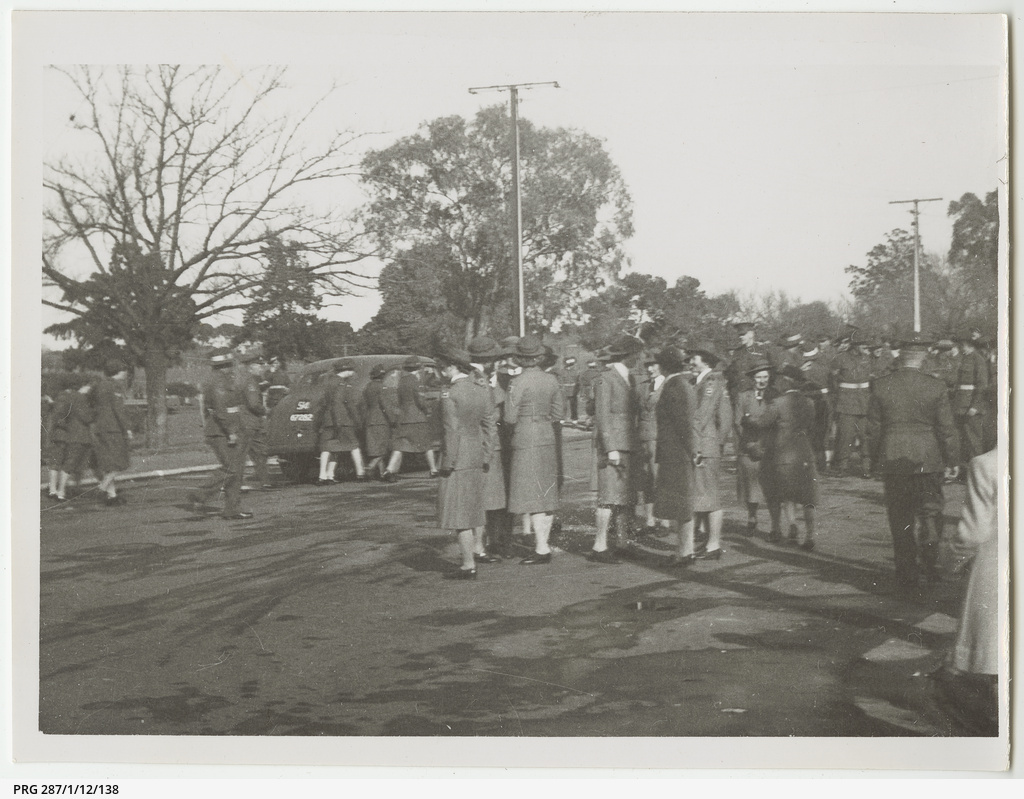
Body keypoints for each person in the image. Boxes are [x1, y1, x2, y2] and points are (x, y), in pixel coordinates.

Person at [866, 334, 959, 588]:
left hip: (894, 459)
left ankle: (906, 573)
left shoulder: (881, 384)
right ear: (922, 358)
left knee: (900, 517)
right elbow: (946, 427)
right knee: (930, 512)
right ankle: (931, 566)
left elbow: (873, 429)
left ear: (900, 357)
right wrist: (952, 459)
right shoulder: (935, 386)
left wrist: (874, 460)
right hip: (928, 459)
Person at [939, 447, 1000, 733]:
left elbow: (973, 532)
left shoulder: (986, 464)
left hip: (999, 570)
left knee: (1001, 658)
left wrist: (951, 562)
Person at [435, 346, 496, 580]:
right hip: (477, 453)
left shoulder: (450, 393)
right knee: (475, 509)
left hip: (457, 456)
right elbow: (489, 425)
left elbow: (450, 431)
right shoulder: (481, 390)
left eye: (442, 369)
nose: (441, 373)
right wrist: (487, 453)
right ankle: (477, 550)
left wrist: (447, 462)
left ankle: (468, 564)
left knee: (460, 515)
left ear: (450, 367)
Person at [505, 335, 565, 565]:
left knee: (530, 493)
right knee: (546, 493)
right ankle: (544, 544)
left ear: (520, 359)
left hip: (525, 437)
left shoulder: (517, 382)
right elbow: (559, 414)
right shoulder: (551, 380)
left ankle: (541, 548)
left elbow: (510, 417)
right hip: (547, 436)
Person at [747, 364, 820, 549]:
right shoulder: (809, 403)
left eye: (780, 379)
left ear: (787, 381)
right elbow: (811, 427)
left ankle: (792, 527)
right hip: (805, 453)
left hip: (784, 455)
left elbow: (763, 423)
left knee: (787, 494)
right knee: (808, 497)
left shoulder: (778, 403)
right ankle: (810, 535)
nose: (777, 382)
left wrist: (748, 419)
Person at [588, 335, 643, 563]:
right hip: (613, 447)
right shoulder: (605, 378)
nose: (640, 359)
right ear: (629, 355)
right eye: (637, 354)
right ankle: (599, 546)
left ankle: (622, 542)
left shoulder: (631, 378)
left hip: (629, 443)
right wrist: (610, 448)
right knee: (609, 497)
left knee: (625, 498)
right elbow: (602, 416)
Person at [188, 348, 252, 520]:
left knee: (236, 470)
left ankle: (232, 509)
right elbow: (221, 409)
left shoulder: (220, 379)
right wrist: (231, 431)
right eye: (230, 364)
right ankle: (200, 493)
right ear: (225, 365)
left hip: (230, 428)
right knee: (231, 468)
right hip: (222, 431)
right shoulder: (218, 382)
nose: (232, 367)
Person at [652, 345, 698, 567]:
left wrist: (692, 452)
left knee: (681, 504)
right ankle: (685, 550)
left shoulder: (675, 386)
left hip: (677, 453)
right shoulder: (680, 384)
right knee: (681, 503)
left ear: (664, 365)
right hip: (677, 452)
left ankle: (684, 552)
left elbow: (684, 425)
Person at [467, 336, 512, 559]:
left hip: (499, 445)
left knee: (494, 498)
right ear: (490, 360)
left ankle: (494, 541)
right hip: (487, 447)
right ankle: (479, 547)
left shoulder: (498, 379)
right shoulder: (475, 380)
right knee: (484, 497)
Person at [689, 341, 732, 560]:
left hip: (703, 446)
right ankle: (709, 543)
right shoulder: (702, 381)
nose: (690, 361)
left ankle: (713, 545)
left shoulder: (711, 381)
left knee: (710, 497)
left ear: (704, 359)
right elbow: (725, 419)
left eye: (694, 357)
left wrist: (697, 446)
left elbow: (702, 416)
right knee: (703, 496)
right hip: (707, 445)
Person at [733, 361, 771, 535]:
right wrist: (748, 443)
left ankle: (775, 523)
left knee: (770, 485)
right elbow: (737, 421)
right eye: (758, 377)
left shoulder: (774, 396)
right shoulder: (743, 396)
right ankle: (752, 516)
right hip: (748, 446)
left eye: (765, 377)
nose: (762, 381)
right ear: (752, 379)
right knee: (750, 484)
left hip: (768, 446)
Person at [386, 356, 439, 479]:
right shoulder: (416, 382)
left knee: (400, 445)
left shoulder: (401, 381)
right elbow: (420, 401)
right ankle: (433, 469)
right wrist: (427, 410)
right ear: (418, 369)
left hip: (404, 418)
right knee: (426, 444)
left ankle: (389, 469)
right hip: (417, 418)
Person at [316, 359, 366, 484]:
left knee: (328, 448)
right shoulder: (342, 384)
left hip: (328, 420)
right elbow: (341, 404)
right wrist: (355, 420)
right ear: (347, 371)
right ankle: (361, 473)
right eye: (351, 370)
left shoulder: (328, 383)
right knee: (354, 445)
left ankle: (325, 476)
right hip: (342, 421)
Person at [91, 359, 133, 505]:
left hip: (99, 428)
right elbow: (118, 409)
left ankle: (112, 495)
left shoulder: (99, 385)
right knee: (119, 462)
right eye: (123, 370)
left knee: (109, 463)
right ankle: (102, 489)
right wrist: (126, 428)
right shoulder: (115, 386)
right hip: (113, 428)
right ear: (117, 371)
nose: (125, 372)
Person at [831, 335, 873, 476]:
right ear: (855, 345)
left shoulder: (867, 358)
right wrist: (840, 396)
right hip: (846, 402)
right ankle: (842, 467)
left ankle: (866, 468)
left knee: (865, 434)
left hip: (865, 401)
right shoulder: (840, 358)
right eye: (862, 345)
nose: (865, 348)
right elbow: (833, 380)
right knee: (845, 434)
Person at [635, 353, 666, 532]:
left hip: (660, 438)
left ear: (661, 366)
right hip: (643, 438)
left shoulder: (668, 386)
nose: (650, 369)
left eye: (654, 365)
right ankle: (649, 520)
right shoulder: (643, 387)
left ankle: (664, 521)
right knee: (646, 479)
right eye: (647, 365)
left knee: (660, 479)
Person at [952, 333, 990, 471]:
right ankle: (964, 470)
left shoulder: (978, 359)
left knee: (973, 440)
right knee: (961, 438)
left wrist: (975, 406)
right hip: (960, 405)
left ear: (969, 345)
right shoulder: (963, 358)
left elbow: (982, 385)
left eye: (962, 345)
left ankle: (978, 471)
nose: (961, 347)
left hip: (971, 407)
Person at [237, 351, 273, 491]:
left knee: (258, 452)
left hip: (248, 422)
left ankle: (264, 481)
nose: (261, 368)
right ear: (251, 366)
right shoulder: (250, 381)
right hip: (249, 422)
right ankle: (239, 484)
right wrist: (265, 411)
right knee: (252, 452)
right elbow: (253, 404)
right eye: (258, 365)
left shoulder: (244, 379)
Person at [362, 363, 392, 481]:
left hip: (369, 419)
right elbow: (385, 405)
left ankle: (382, 473)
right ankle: (370, 467)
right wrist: (392, 419)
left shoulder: (367, 387)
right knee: (383, 448)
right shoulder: (382, 387)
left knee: (376, 448)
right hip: (380, 420)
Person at [724, 321, 766, 400]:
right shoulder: (737, 352)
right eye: (739, 335)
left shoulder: (762, 351)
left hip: (757, 395)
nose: (740, 337)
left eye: (743, 334)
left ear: (751, 334)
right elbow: (731, 374)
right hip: (739, 395)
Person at [558, 356, 580, 420]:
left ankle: (574, 419)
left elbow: (578, 382)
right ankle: (562, 419)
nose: (570, 366)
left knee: (574, 407)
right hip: (564, 391)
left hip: (573, 391)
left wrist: (577, 391)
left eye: (571, 364)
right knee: (563, 407)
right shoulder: (561, 372)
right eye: (569, 364)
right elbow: (560, 382)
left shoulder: (576, 371)